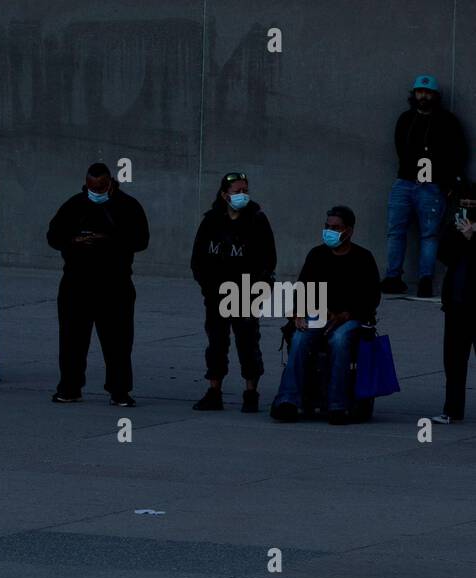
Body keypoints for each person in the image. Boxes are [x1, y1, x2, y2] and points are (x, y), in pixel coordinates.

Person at [45, 162, 150, 406]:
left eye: (101, 187)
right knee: (72, 340)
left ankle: (120, 390)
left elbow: (141, 239)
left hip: (115, 283)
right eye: (91, 187)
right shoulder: (74, 205)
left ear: (110, 182)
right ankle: (70, 387)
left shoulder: (127, 206)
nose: (96, 191)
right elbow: (53, 236)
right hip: (76, 282)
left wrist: (108, 240)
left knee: (118, 341)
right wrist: (74, 240)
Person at [271, 206, 382, 425]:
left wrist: (344, 315)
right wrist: (299, 313)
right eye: (327, 227)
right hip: (318, 313)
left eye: (336, 228)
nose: (330, 231)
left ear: (348, 231)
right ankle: (288, 401)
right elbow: (302, 288)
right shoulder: (317, 255)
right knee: (300, 338)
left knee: (340, 340)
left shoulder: (363, 258)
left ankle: (337, 405)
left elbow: (371, 298)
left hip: (350, 317)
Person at [189, 172, 277, 412]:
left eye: (245, 191)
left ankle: (251, 393)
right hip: (217, 294)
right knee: (216, 343)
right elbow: (198, 258)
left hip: (246, 294)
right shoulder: (211, 221)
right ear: (224, 195)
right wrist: (207, 286)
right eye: (237, 191)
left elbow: (269, 259)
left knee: (248, 343)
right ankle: (214, 391)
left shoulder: (257, 221)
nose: (242, 196)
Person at [381, 75, 467, 298]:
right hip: (405, 182)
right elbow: (401, 148)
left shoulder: (447, 121)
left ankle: (425, 280)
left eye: (428, 93)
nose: (423, 96)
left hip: (432, 186)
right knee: (395, 231)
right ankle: (392, 278)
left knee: (429, 234)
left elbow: (457, 153)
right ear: (414, 94)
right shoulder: (406, 119)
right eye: (420, 92)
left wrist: (448, 182)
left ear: (435, 96)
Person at [431, 184, 476, 422]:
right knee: (454, 360)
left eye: (472, 205)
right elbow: (445, 255)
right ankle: (452, 409)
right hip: (457, 304)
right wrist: (459, 236)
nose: (467, 209)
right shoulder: (454, 226)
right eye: (464, 204)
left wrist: (472, 237)